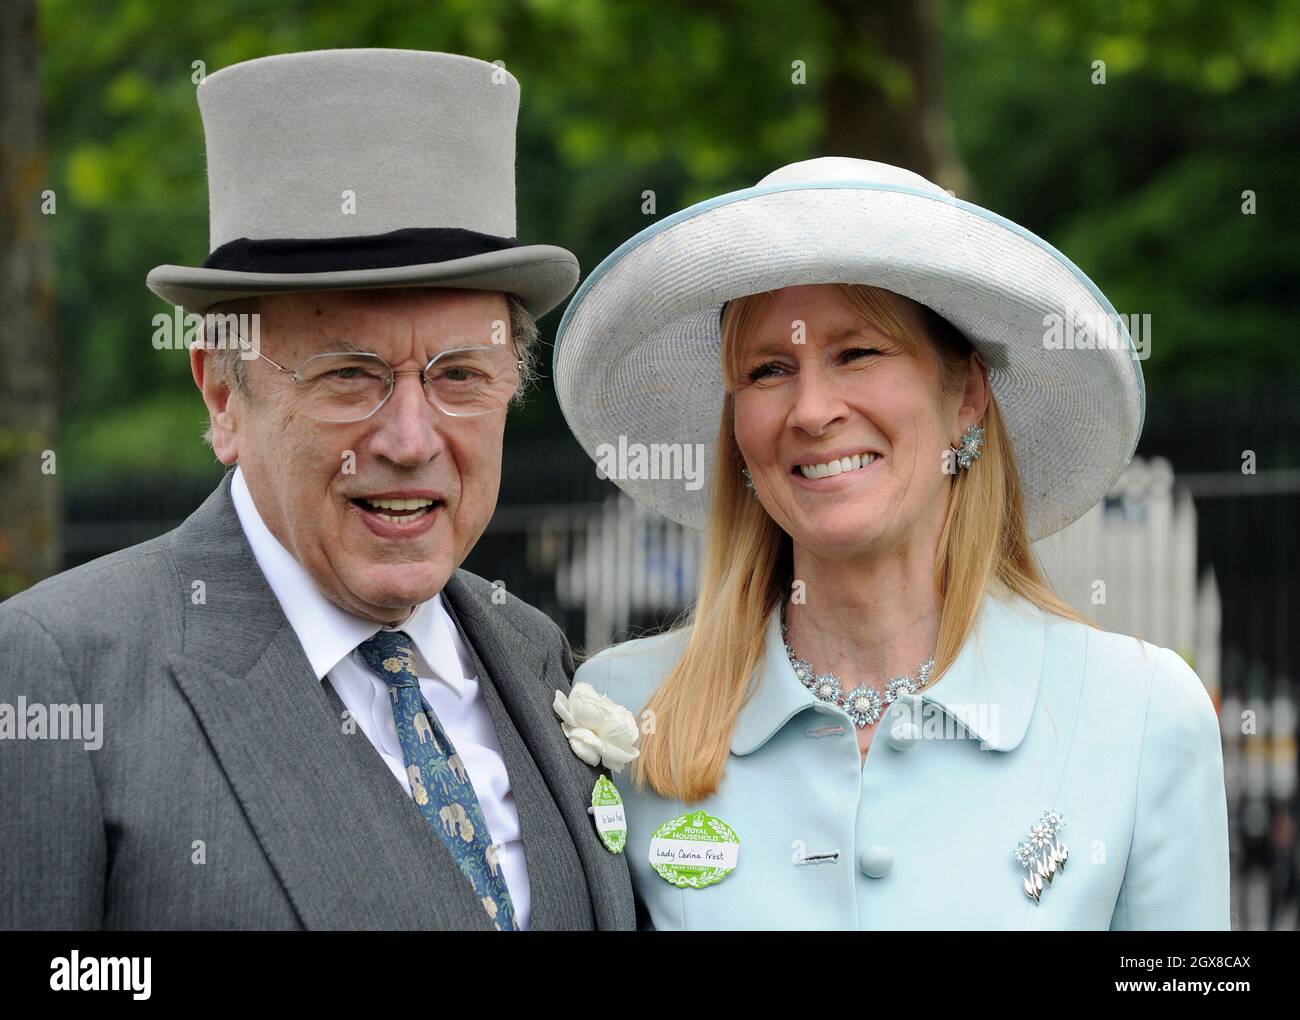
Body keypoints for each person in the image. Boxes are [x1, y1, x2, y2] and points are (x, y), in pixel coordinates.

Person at [0, 48, 635, 931]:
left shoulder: (536, 655)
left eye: (460, 375)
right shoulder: (59, 676)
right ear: (224, 397)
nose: (411, 441)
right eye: (348, 375)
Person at [554, 157, 1231, 930]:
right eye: (769, 369)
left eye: (858, 353)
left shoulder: (1141, 716)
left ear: (967, 396)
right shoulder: (624, 715)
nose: (811, 410)